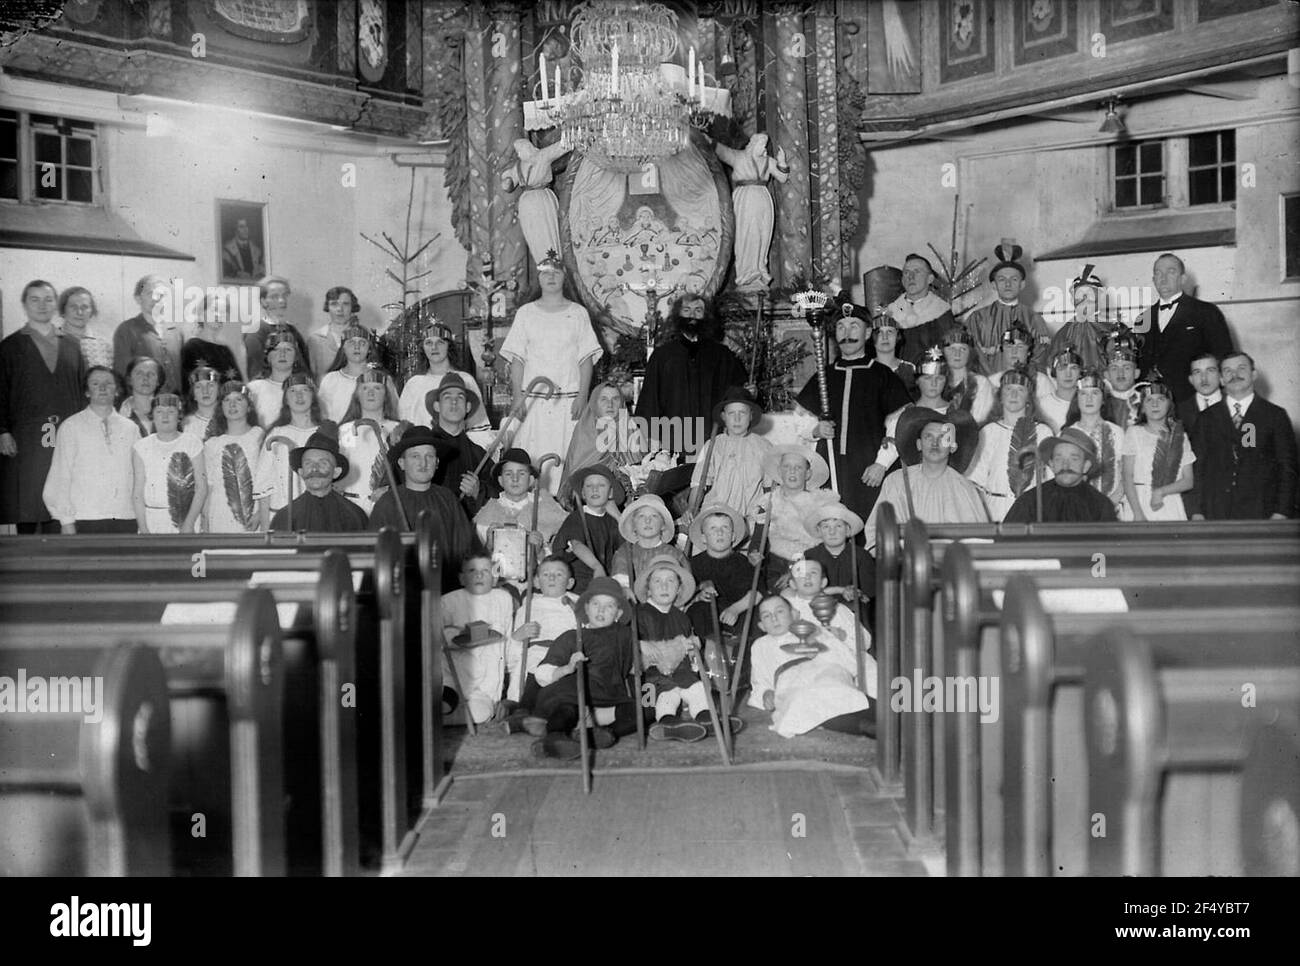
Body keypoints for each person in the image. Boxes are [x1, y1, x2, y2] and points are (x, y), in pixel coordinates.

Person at [795, 302, 911, 521]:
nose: (847, 334)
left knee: (872, 528)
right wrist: (816, 429)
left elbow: (899, 423)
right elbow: (800, 418)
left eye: (854, 326)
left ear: (868, 333)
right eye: (841, 327)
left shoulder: (882, 376)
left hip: (869, 469)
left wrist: (881, 463)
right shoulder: (825, 375)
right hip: (829, 466)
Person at [499, 250, 602, 495]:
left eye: (557, 272)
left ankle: (565, 507)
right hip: (534, 402)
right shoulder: (526, 313)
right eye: (546, 273)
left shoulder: (577, 313)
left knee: (566, 459)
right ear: (538, 278)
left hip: (568, 403)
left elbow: (586, 358)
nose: (551, 277)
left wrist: (583, 396)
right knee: (533, 462)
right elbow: (517, 359)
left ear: (564, 277)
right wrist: (517, 397)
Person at [0, 280, 87, 532]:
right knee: (28, 501)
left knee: (62, 501)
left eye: (48, 299)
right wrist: (2, 430)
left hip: (65, 433)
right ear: (24, 305)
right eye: (34, 299)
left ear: (55, 305)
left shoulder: (71, 345)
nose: (42, 305)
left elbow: (82, 390)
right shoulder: (10, 346)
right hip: (27, 437)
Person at [532, 576, 642, 759]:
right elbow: (541, 674)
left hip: (606, 699)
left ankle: (597, 736)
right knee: (569, 706)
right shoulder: (572, 636)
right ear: (586, 608)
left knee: (641, 711)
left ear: (619, 613)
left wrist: (639, 665)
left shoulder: (625, 636)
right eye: (596, 604)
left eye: (610, 606)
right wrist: (567, 668)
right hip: (573, 693)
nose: (601, 610)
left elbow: (632, 664)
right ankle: (555, 736)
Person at [1187, 352, 1298, 520]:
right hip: (1215, 513)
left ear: (1254, 375)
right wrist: (1196, 511)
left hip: (1263, 512)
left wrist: (1281, 511)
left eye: (1241, 368)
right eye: (1228, 371)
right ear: (1222, 379)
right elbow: (1198, 468)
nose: (1235, 375)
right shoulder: (1206, 418)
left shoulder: (1275, 416)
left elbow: (1287, 468)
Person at [635, 293, 748, 457]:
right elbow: (650, 401)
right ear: (678, 315)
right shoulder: (662, 356)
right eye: (686, 310)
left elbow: (736, 394)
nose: (692, 315)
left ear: (706, 315)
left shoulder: (721, 355)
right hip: (672, 440)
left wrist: (747, 392)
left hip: (711, 439)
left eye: (698, 310)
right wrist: (654, 440)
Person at [748, 594, 875, 739]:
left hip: (823, 671)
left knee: (837, 691)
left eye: (780, 611)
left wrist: (818, 649)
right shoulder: (760, 646)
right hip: (790, 682)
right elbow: (759, 680)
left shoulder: (812, 630)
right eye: (767, 616)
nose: (774, 618)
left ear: (793, 614)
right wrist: (765, 693)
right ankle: (869, 728)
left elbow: (847, 661)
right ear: (761, 626)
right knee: (804, 704)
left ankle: (886, 714)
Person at [863, 407, 989, 551]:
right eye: (929, 436)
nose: (935, 443)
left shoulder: (965, 489)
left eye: (943, 438)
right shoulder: (896, 482)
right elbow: (876, 533)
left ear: (953, 447)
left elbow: (979, 539)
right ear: (919, 444)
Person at [370, 425, 479, 585]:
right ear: (401, 463)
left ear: (437, 463)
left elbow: (465, 547)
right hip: (401, 592)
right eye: (415, 456)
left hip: (445, 590)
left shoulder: (447, 499)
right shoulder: (388, 502)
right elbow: (375, 555)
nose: (424, 463)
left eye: (429, 456)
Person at [635, 554, 725, 742]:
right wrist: (639, 643)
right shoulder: (639, 615)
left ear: (679, 589)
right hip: (651, 679)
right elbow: (626, 646)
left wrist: (692, 650)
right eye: (657, 581)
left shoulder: (681, 617)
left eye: (671, 581)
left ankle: (706, 719)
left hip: (680, 672)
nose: (664, 586)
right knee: (667, 695)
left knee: (698, 688)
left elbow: (687, 651)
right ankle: (667, 724)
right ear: (648, 590)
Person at [42, 365, 139, 533]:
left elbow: (139, 476)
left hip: (125, 517)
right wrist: (66, 521)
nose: (102, 388)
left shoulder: (131, 428)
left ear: (117, 390)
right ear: (87, 392)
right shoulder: (71, 426)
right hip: (84, 518)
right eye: (95, 384)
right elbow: (61, 475)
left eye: (108, 383)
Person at [1136, 254, 1234, 405]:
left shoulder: (1206, 312)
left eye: (1171, 271)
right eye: (1158, 273)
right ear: (1153, 280)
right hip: (1154, 407)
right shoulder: (1143, 319)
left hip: (1195, 403)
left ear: (1183, 279)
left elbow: (1224, 358)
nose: (1163, 278)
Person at [781, 556, 876, 707]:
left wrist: (843, 636)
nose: (807, 577)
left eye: (813, 573)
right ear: (792, 583)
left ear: (823, 582)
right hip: (814, 664)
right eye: (801, 573)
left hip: (849, 658)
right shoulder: (788, 611)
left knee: (874, 677)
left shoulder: (839, 609)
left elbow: (866, 639)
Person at [964, 366, 1054, 522]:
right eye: (1008, 389)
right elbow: (976, 479)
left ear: (1029, 398)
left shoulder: (1044, 432)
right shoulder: (988, 432)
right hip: (995, 510)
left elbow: (1051, 479)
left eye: (1020, 390)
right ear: (1000, 396)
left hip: (1032, 510)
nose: (1014, 395)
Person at [474, 447, 567, 594]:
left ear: (530, 479)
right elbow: (478, 564)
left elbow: (560, 559)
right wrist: (489, 545)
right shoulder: (488, 514)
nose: (515, 479)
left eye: (521, 473)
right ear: (500, 480)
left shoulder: (547, 510)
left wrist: (540, 551)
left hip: (536, 587)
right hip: (498, 587)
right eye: (508, 474)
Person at [441, 553, 519, 726]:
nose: (479, 575)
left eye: (485, 571)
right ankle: (443, 709)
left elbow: (509, 644)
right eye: (472, 571)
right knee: (444, 698)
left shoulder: (503, 599)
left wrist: (512, 697)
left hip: (484, 686)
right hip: (453, 677)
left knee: (482, 712)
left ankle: (444, 719)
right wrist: (456, 635)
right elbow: (435, 634)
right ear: (462, 578)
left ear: (494, 578)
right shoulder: (448, 601)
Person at [504, 556, 579, 732]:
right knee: (534, 667)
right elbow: (514, 647)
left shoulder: (578, 602)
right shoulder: (529, 605)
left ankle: (535, 719)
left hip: (566, 654)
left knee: (562, 679)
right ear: (537, 581)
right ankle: (523, 713)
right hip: (537, 653)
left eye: (558, 574)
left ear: (570, 582)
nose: (552, 578)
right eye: (546, 574)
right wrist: (518, 635)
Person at [747, 445, 835, 587]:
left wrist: (797, 571)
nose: (792, 471)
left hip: (810, 564)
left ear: (808, 474)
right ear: (779, 471)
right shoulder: (768, 501)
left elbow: (825, 545)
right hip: (775, 565)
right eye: (787, 467)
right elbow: (758, 538)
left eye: (798, 468)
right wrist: (754, 554)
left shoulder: (819, 503)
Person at [686, 385, 771, 528]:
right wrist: (691, 509)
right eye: (732, 413)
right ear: (723, 417)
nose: (737, 419)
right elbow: (698, 485)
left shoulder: (764, 447)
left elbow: (770, 489)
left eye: (742, 413)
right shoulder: (713, 445)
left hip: (749, 520)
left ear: (751, 415)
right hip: (715, 517)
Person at [255, 372, 333, 528]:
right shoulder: (276, 434)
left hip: (318, 515)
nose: (299, 396)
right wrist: (265, 528)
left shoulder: (325, 433)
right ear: (285, 399)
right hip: (282, 514)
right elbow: (263, 484)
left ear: (313, 396)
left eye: (304, 390)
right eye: (292, 391)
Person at [713, 132, 790, 290]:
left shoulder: (768, 162)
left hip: (763, 199)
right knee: (747, 235)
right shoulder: (739, 157)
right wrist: (705, 138)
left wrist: (781, 162)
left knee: (762, 235)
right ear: (753, 144)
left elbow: (782, 177)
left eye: (765, 144)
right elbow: (721, 151)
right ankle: (746, 275)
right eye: (761, 144)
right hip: (745, 200)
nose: (763, 148)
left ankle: (759, 271)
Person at [559, 381, 651, 508]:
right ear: (594, 404)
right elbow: (576, 477)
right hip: (591, 502)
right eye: (604, 399)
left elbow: (643, 469)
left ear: (622, 404)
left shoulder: (631, 431)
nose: (610, 404)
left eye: (615, 399)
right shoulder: (585, 433)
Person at [964, 243, 1052, 374]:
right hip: (986, 384)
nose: (1008, 284)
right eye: (1002, 279)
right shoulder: (978, 318)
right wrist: (989, 380)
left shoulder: (1033, 319)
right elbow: (971, 353)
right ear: (994, 285)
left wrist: (1022, 377)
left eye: (1014, 279)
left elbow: (1041, 354)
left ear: (1022, 284)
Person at [1121, 372, 1195, 521]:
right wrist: (1137, 513)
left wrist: (1161, 491)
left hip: (1170, 502)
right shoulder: (1134, 433)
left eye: (1161, 399)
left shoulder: (1180, 436)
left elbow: (1188, 481)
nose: (1155, 405)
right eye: (1149, 400)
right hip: (1139, 501)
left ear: (1169, 405)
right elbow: (1127, 476)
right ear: (1142, 408)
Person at [1004, 427, 1118, 524]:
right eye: (1059, 458)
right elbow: (1007, 543)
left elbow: (1108, 547)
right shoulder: (1030, 501)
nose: (1065, 465)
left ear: (1086, 466)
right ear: (1051, 464)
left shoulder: (1100, 505)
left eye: (1074, 459)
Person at [396, 321, 490, 436]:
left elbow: (478, 426)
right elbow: (403, 425)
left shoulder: (465, 379)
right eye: (429, 343)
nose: (434, 348)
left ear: (449, 346)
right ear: (423, 348)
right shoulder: (414, 383)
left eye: (440, 342)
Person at [131, 392, 206, 534]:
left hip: (186, 519)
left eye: (171, 411)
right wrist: (144, 528)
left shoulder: (192, 443)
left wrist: (189, 524)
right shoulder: (141, 446)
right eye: (159, 411)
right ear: (152, 416)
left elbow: (201, 488)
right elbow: (138, 493)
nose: (165, 416)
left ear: (179, 416)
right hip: (152, 520)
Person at [336, 365, 404, 518]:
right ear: (357, 395)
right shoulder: (345, 430)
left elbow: (404, 471)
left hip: (385, 506)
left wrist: (391, 490)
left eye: (377, 388)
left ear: (386, 395)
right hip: (350, 506)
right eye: (365, 388)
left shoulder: (397, 430)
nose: (371, 393)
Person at [270, 431, 369, 532]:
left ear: (336, 472)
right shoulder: (285, 517)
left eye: (323, 463)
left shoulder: (354, 515)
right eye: (308, 463)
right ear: (301, 472)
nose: (314, 469)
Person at [550, 463, 624, 594]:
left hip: (605, 583)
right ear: (583, 493)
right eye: (589, 486)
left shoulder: (612, 520)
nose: (595, 490)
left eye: (601, 485)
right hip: (577, 583)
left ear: (610, 492)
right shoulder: (577, 517)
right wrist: (597, 567)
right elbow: (577, 544)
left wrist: (618, 516)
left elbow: (625, 548)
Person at [202, 381, 264, 533]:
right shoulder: (212, 444)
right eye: (227, 400)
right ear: (220, 407)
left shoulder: (260, 436)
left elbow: (267, 480)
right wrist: (205, 519)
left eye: (239, 400)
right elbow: (209, 486)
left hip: (253, 514)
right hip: (220, 513)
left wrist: (260, 513)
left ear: (249, 406)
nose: (232, 405)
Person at [427, 373, 493, 514]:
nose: (454, 402)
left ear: (468, 407)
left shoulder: (480, 455)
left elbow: (499, 500)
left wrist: (478, 492)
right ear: (437, 406)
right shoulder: (421, 448)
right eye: (447, 397)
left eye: (460, 397)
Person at [501, 135, 572, 268]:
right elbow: (509, 180)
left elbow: (558, 148)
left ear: (528, 147)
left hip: (542, 200)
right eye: (518, 152)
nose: (520, 153)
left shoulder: (542, 157)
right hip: (527, 203)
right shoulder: (519, 166)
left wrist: (573, 137)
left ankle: (554, 260)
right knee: (534, 233)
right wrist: (507, 182)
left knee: (547, 228)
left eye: (521, 150)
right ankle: (542, 261)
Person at [1064, 369, 1127, 516]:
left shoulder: (1117, 433)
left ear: (1103, 399)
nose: (1089, 399)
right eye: (1083, 394)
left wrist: (1109, 504)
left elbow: (1127, 475)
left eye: (1095, 393)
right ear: (1076, 399)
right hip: (1077, 510)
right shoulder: (1067, 434)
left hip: (1112, 508)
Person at [882, 254, 957, 366]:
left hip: (930, 376)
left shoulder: (941, 311)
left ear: (930, 279)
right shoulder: (891, 312)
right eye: (906, 272)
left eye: (917, 272)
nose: (910, 277)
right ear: (902, 280)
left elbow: (950, 351)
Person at [112, 274, 182, 394]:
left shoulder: (176, 332)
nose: (156, 299)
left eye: (162, 295)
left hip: (174, 406)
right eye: (150, 294)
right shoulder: (127, 330)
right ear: (138, 298)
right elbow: (122, 374)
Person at [801, 502, 875, 613]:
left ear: (848, 529)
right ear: (819, 530)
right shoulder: (810, 556)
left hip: (853, 614)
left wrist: (856, 593)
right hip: (818, 611)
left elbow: (869, 593)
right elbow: (805, 592)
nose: (832, 532)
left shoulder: (861, 556)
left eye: (838, 526)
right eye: (826, 527)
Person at [610, 493, 688, 596]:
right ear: (633, 525)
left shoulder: (674, 555)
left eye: (654, 516)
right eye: (641, 516)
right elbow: (620, 586)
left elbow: (685, 589)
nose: (647, 521)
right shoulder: (625, 552)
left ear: (663, 525)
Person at [243, 276, 311, 382]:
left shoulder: (292, 330)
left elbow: (304, 367)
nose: (281, 300)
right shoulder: (256, 332)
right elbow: (255, 373)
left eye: (284, 295)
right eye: (274, 296)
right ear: (263, 301)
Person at [1045, 264, 1110, 372]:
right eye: (1080, 294)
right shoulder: (1063, 334)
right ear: (1072, 300)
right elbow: (1052, 365)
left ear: (1100, 297)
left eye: (1089, 294)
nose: (1084, 299)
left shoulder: (1111, 328)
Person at [318, 321, 379, 424]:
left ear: (369, 349)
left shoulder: (380, 379)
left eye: (362, 343)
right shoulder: (331, 380)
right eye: (351, 343)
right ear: (343, 348)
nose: (357, 347)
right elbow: (321, 415)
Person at [182, 290, 245, 386]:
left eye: (223, 312)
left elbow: (237, 383)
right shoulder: (192, 347)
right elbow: (189, 385)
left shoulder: (224, 349)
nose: (219, 315)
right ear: (202, 313)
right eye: (214, 310)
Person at [247, 326, 303, 428]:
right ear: (267, 357)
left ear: (296, 357)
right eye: (276, 349)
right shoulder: (254, 389)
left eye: (288, 349)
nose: (282, 354)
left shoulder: (306, 388)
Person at [940, 325, 994, 425]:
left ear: (970, 353)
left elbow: (979, 420)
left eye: (963, 349)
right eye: (951, 349)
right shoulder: (937, 382)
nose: (957, 354)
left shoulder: (980, 383)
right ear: (943, 352)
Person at [308, 286, 360, 380]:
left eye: (345, 304)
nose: (340, 309)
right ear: (327, 307)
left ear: (352, 307)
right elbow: (311, 376)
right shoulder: (316, 339)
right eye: (334, 304)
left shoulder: (362, 337)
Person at [58, 286, 113, 370]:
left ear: (92, 311)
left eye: (84, 307)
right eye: (73, 307)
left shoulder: (104, 346)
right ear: (63, 310)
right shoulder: (50, 340)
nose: (79, 312)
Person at [867, 310, 917, 400]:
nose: (885, 337)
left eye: (889, 332)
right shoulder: (865, 369)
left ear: (898, 336)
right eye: (879, 332)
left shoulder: (909, 370)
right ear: (872, 336)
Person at [1102, 327, 1142, 430]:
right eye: (1114, 368)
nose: (1121, 373)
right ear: (1106, 374)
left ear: (1136, 373)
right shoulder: (1099, 405)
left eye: (1127, 368)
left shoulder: (1147, 404)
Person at [1035, 346, 1082, 434]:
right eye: (1062, 368)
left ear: (1080, 373)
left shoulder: (1088, 403)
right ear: (1053, 372)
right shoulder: (1041, 406)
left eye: (1073, 368)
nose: (1068, 374)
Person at [1177, 353, 1223, 431]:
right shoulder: (1179, 411)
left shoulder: (1235, 404)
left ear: (1220, 375)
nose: (1204, 378)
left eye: (1210, 371)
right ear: (1191, 379)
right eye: (1197, 372)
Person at [119, 355, 162, 437]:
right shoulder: (120, 413)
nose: (145, 378)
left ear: (158, 381)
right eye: (139, 373)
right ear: (129, 379)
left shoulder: (171, 411)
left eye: (151, 374)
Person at [182, 365, 222, 440]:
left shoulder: (230, 419)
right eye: (199, 387)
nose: (205, 391)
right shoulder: (186, 424)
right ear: (193, 394)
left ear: (219, 390)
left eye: (210, 385)